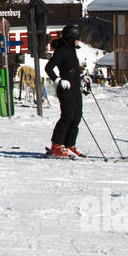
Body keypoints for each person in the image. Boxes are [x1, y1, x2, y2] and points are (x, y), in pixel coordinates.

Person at [44, 24, 84, 157]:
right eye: (77, 38)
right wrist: (58, 80)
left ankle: (69, 144)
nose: (79, 40)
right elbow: (48, 68)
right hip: (65, 88)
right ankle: (56, 145)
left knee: (76, 116)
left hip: (75, 88)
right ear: (72, 37)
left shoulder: (71, 49)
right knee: (67, 116)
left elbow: (71, 68)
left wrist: (82, 79)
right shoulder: (62, 50)